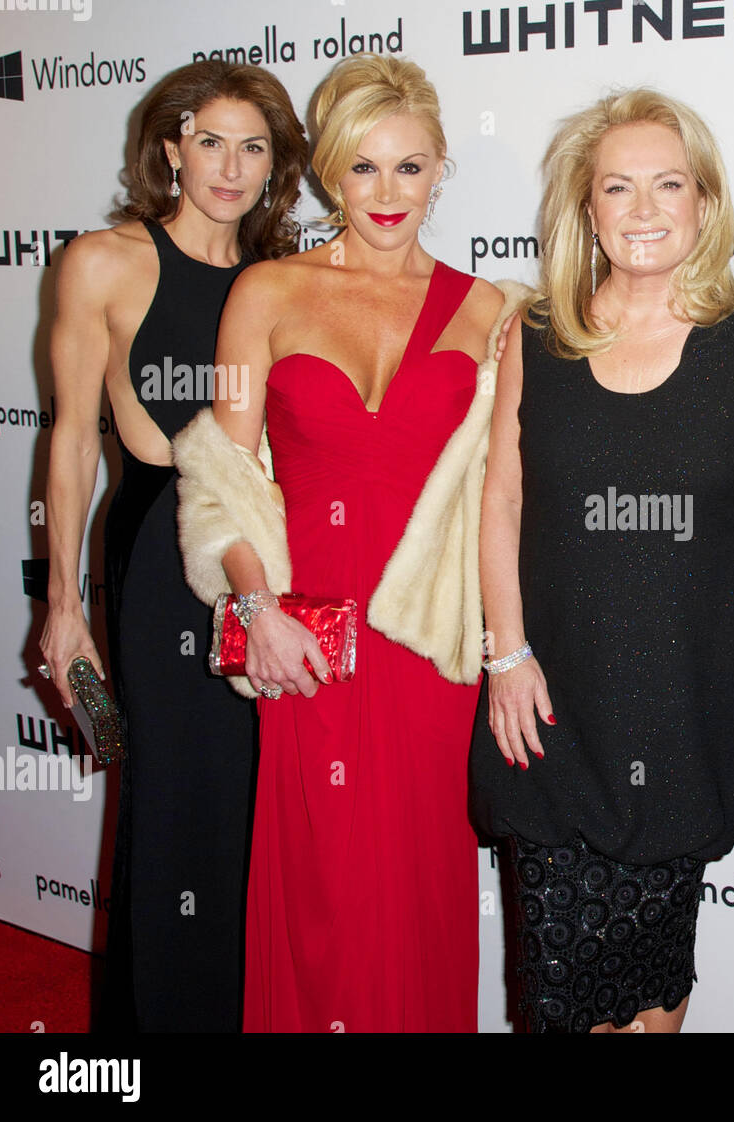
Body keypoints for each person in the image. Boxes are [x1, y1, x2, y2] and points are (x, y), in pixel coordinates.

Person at [173, 53, 516, 1032]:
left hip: (428, 654)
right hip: (307, 639)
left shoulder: (488, 311)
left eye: (409, 167)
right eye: (363, 168)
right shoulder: (267, 294)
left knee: (417, 894)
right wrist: (255, 607)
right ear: (328, 170)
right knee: (318, 896)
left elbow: (507, 495)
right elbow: (220, 475)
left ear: (442, 166)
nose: (387, 193)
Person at [469, 88, 734, 1033]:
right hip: (549, 712)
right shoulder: (538, 334)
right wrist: (505, 654)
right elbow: (502, 498)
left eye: (669, 184)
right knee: (562, 1000)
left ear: (706, 201)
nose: (645, 209)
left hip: (680, 718)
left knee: (655, 1001)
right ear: (587, 208)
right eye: (619, 188)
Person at [40, 59, 306, 1032]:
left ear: (276, 166)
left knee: (255, 815)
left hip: (260, 556)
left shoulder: (284, 279)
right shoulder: (104, 262)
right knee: (170, 809)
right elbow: (72, 439)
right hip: (158, 556)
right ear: (169, 149)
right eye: (209, 142)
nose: (229, 168)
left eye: (253, 147)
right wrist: (64, 607)